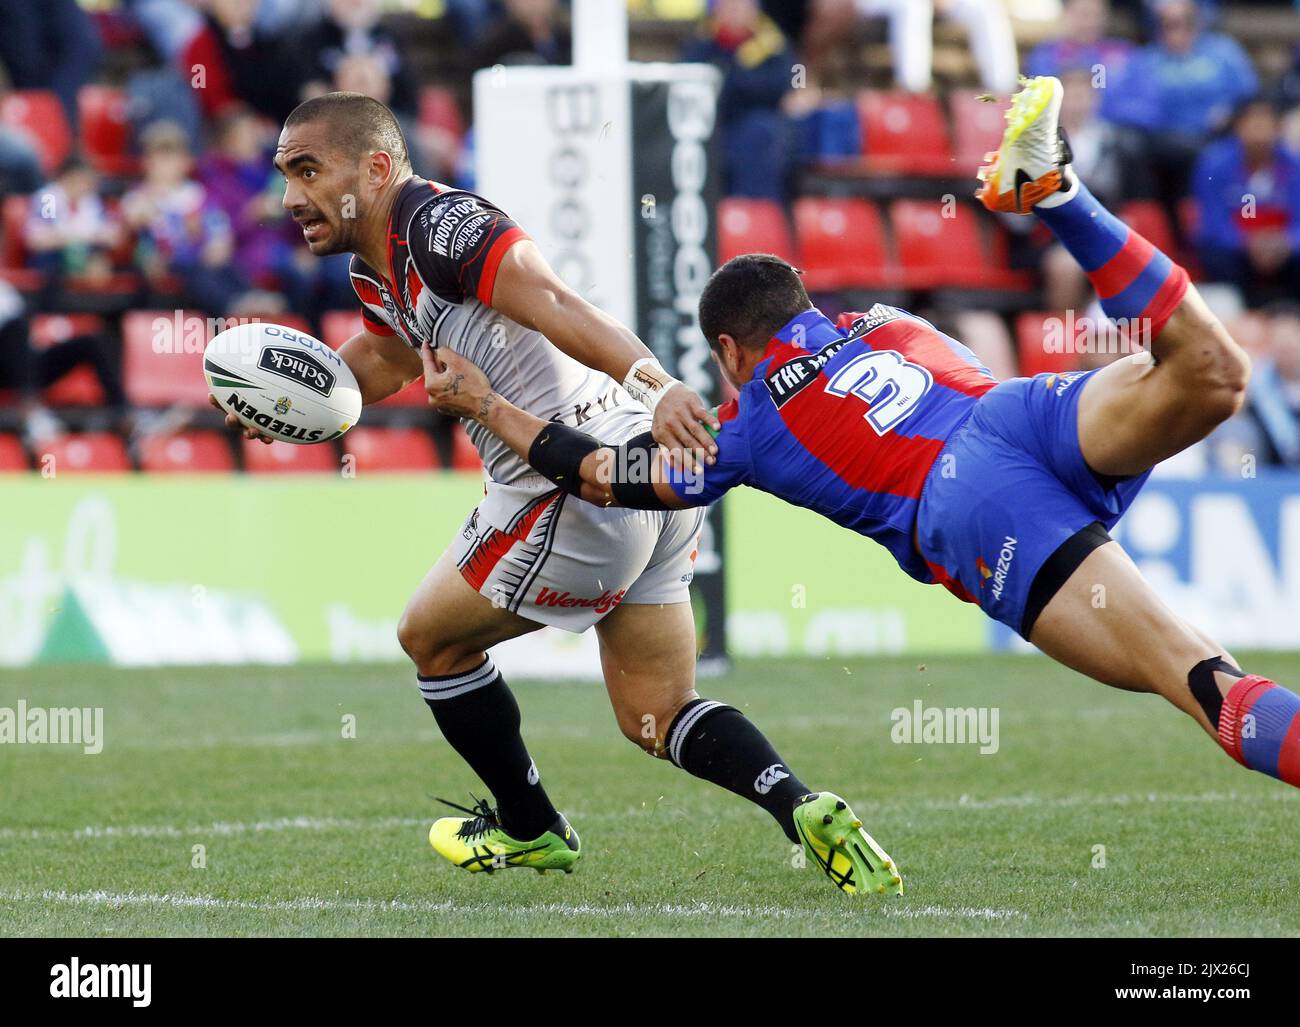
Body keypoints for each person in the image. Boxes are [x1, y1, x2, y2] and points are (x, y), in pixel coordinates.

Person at [424, 77, 1300, 810]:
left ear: (729, 353)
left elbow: (608, 478)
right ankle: (1060, 197)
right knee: (1211, 372)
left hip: (970, 500)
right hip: (1018, 413)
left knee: (1202, 681)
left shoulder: (752, 422)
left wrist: (488, 405)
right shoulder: (887, 318)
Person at [211, 91, 901, 895]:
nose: (290, 196)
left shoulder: (441, 227)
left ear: (375, 167)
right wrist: (287, 402)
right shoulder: (378, 268)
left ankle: (532, 829)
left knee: (430, 639)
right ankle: (803, 805)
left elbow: (556, 300)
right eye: (285, 174)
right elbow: (387, 360)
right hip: (643, 475)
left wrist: (655, 379)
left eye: (307, 170)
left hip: (568, 479)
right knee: (655, 711)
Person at [1192, 98, 1300, 306]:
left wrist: (1286, 243)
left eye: (1265, 123)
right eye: (1252, 123)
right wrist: (1247, 243)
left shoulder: (1294, 166)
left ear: (1278, 128)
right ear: (1237, 127)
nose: (1259, 132)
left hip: (1283, 248)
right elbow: (1211, 224)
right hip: (1235, 250)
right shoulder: (1213, 165)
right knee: (1217, 256)